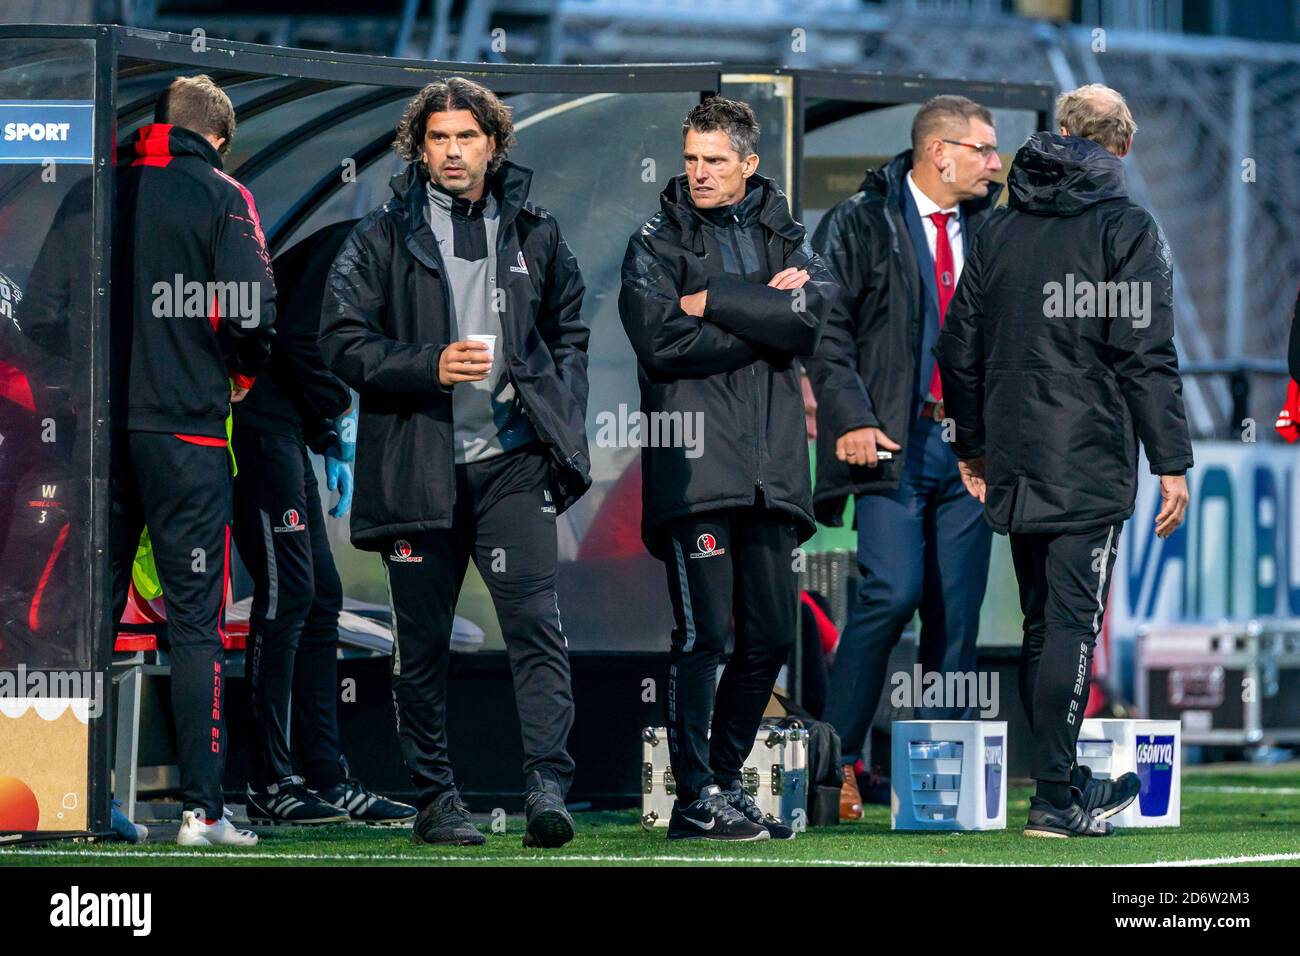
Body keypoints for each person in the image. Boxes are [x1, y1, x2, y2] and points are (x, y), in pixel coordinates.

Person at [319, 76, 589, 849]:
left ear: (494, 144)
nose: (452, 150)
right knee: (423, 644)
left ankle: (547, 788)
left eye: (466, 136)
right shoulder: (378, 235)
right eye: (438, 138)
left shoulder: (535, 230)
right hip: (417, 467)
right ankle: (438, 801)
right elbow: (339, 341)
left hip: (512, 465)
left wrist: (553, 403)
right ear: (420, 148)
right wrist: (426, 364)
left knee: (536, 627)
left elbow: (571, 329)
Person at [936, 84, 1192, 837]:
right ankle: (1055, 797)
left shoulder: (999, 229)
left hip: (1015, 455)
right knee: (1073, 626)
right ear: (1122, 146)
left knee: (1043, 624)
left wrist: (974, 444)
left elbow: (958, 348)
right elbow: (1146, 353)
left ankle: (1059, 780)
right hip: (1088, 455)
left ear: (1059, 134)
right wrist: (1170, 460)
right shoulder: (1126, 228)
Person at [619, 97, 835, 842]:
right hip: (695, 469)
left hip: (772, 469)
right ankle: (694, 798)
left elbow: (812, 318)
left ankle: (717, 781)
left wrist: (713, 301)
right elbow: (658, 340)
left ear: (749, 164)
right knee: (704, 635)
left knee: (771, 638)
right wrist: (760, 322)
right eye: (691, 158)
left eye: (715, 159)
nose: (700, 172)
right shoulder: (655, 239)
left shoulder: (786, 232)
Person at [802, 96, 1004, 813]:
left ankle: (936, 776)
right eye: (983, 149)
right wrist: (849, 418)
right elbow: (827, 333)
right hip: (894, 439)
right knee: (890, 592)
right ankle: (839, 762)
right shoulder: (859, 221)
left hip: (972, 448)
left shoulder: (995, 226)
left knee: (957, 609)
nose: (996, 163)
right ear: (938, 152)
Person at [107, 75, 276, 847]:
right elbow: (253, 314)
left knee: (83, 619)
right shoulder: (222, 195)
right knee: (196, 622)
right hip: (188, 437)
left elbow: (45, 315)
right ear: (218, 139)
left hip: (94, 440)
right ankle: (201, 812)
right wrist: (231, 377)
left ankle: (71, 798)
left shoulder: (91, 192)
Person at [232, 219, 415, 826]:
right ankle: (268, 780)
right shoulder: (361, 244)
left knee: (321, 597)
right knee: (287, 597)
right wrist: (339, 417)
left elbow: (314, 350)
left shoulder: (392, 254)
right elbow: (295, 338)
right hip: (254, 429)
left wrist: (325, 432)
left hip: (284, 428)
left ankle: (326, 777)